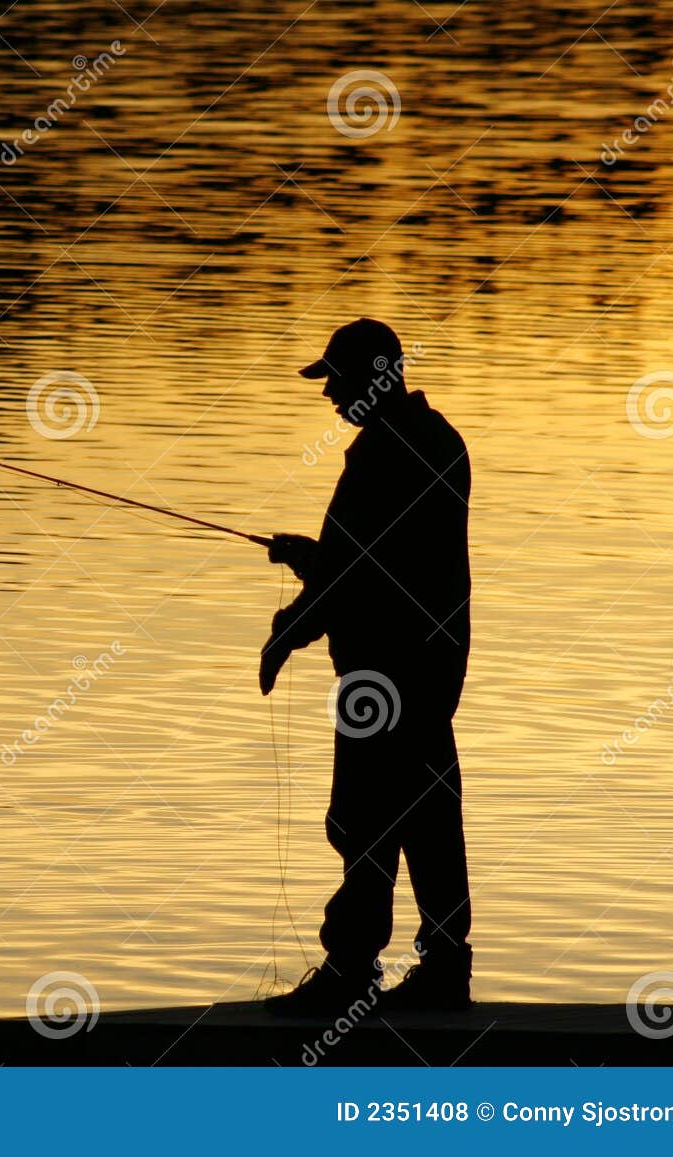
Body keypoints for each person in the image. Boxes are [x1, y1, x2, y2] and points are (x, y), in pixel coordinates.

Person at [260, 318, 474, 1016]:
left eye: (339, 380)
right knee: (429, 816)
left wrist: (286, 632)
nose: (330, 395)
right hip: (435, 666)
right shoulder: (441, 442)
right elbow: (375, 561)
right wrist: (311, 557)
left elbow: (349, 577)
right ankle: (445, 968)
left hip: (381, 676)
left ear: (374, 378)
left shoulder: (379, 453)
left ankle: (350, 971)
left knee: (364, 819)